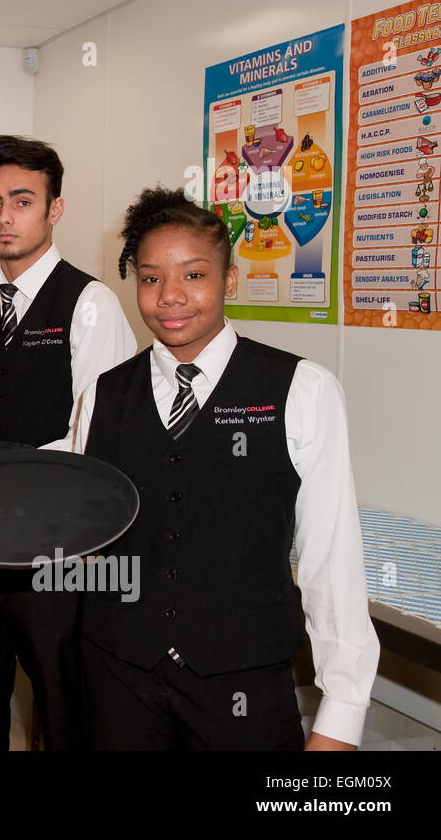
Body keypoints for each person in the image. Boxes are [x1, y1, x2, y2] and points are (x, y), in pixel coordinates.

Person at [73, 187, 380, 750]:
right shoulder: (103, 396)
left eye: (193, 275)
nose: (170, 297)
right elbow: (83, 541)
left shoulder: (301, 390)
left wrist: (340, 717)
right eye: (149, 278)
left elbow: (330, 560)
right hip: (120, 676)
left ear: (229, 280)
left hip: (243, 681)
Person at [0, 134, 136, 750]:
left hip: (59, 559)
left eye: (21, 200)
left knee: (68, 720)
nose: (5, 217)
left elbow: (100, 446)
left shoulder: (91, 305)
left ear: (54, 208)